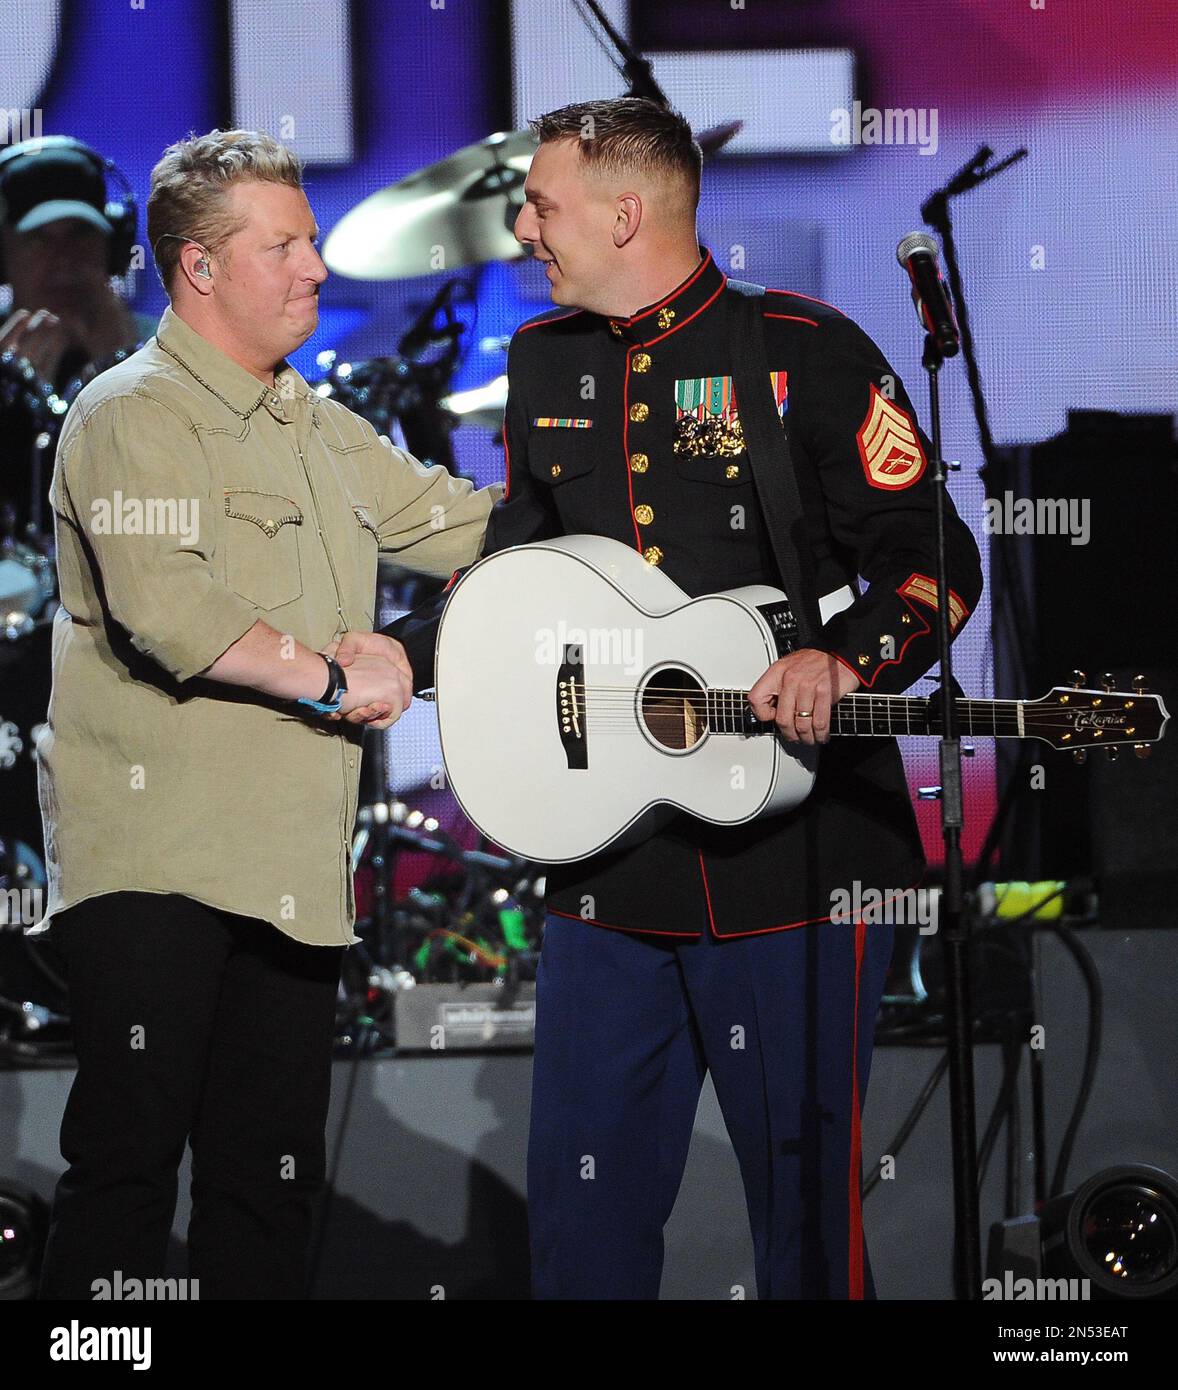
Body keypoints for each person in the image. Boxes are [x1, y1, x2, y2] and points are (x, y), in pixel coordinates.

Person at [341, 97, 984, 1300]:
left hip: (801, 860)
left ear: (623, 212)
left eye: (540, 202)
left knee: (803, 1223)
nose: (521, 224)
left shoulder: (805, 350)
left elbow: (937, 559)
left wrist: (848, 658)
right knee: (580, 1231)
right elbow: (514, 582)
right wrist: (404, 658)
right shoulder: (542, 363)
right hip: (606, 861)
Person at [29, 128, 501, 1299]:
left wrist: (615, 486)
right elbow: (171, 614)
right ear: (198, 267)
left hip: (289, 873)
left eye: (310, 242)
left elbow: (455, 522)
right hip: (158, 864)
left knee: (265, 1183)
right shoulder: (126, 412)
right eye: (284, 245)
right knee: (128, 1172)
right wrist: (342, 678)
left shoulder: (312, 420)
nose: (315, 269)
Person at [0, 136, 154, 537]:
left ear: (112, 248)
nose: (64, 258)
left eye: (81, 233)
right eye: (39, 238)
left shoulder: (167, 350)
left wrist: (122, 368)